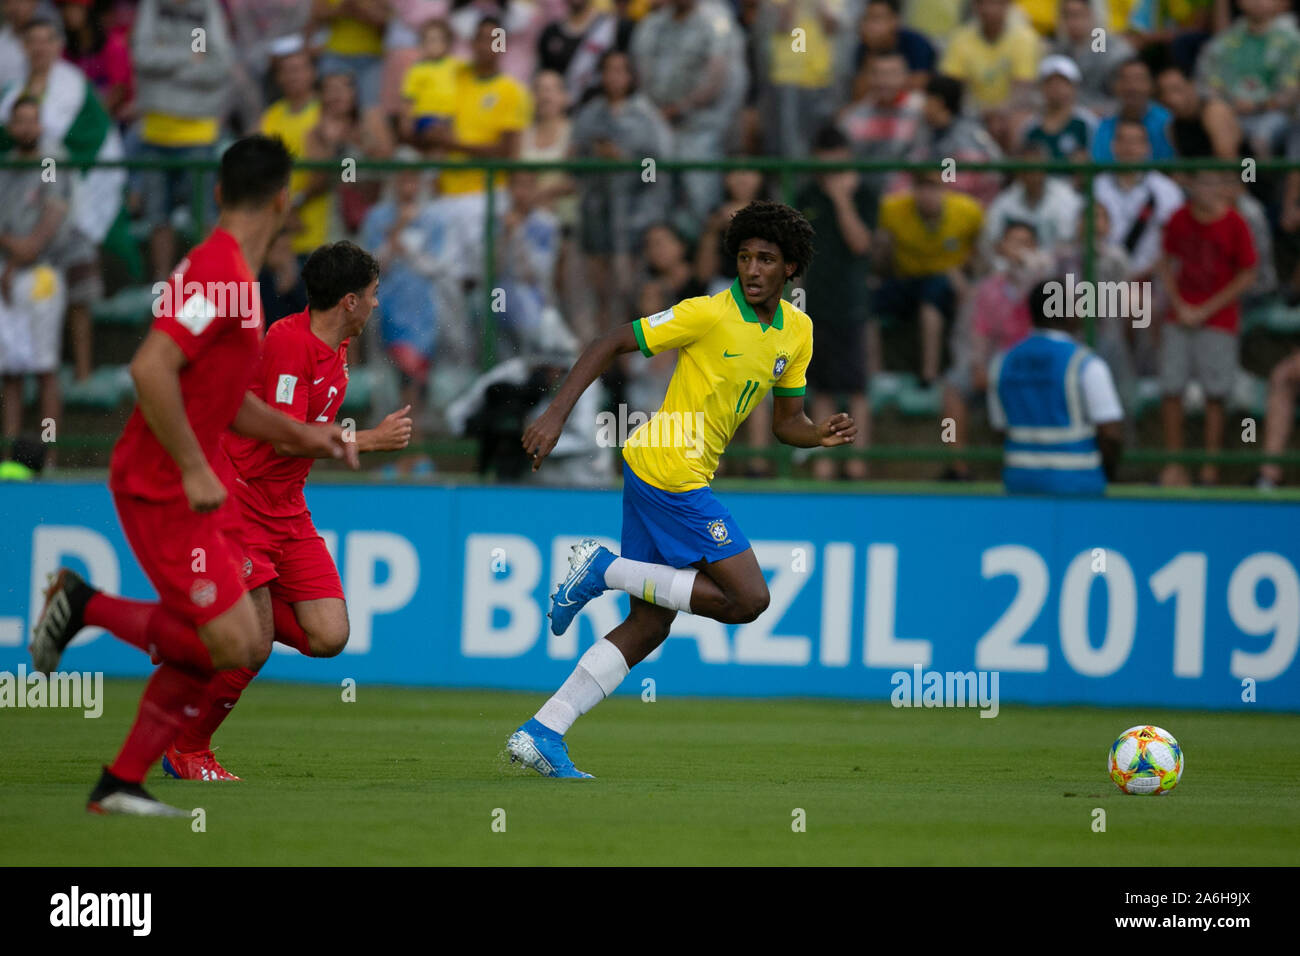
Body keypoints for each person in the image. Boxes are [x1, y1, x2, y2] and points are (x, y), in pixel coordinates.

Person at [29, 135, 356, 816]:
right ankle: (82, 606)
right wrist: (190, 466)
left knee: (234, 642)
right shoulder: (217, 275)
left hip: (198, 485)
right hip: (164, 483)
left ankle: (120, 782)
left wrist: (304, 433)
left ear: (215, 194)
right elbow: (151, 367)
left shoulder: (238, 280)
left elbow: (228, 401)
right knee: (236, 641)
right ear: (283, 199)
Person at [506, 200, 856, 777]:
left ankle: (543, 731)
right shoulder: (709, 313)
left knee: (649, 624)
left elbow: (786, 422)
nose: (753, 268)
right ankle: (604, 569)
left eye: (766, 259)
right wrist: (555, 415)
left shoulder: (797, 332)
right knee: (749, 600)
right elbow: (612, 341)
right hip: (671, 472)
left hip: (661, 471)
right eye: (744, 257)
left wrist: (817, 436)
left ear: (791, 268)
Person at [162, 241, 413, 781]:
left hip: (288, 509)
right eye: (371, 295)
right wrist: (369, 440)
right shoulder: (288, 343)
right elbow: (283, 440)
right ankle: (188, 749)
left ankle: (209, 624)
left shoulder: (337, 345)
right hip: (242, 500)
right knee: (252, 648)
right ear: (348, 300)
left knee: (328, 636)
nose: (376, 305)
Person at [1155, 170, 1258, 487]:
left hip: (1219, 319)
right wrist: (1180, 305)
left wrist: (1206, 309)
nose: (1208, 189)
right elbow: (1165, 263)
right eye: (1202, 182)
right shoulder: (1178, 219)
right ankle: (1175, 466)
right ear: (1191, 185)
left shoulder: (1236, 224)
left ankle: (1210, 469)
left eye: (1215, 183)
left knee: (1217, 393)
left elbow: (1248, 273)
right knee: (1171, 389)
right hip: (1180, 316)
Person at [988, 277, 1125, 495]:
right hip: (1078, 483)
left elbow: (999, 429)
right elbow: (1111, 434)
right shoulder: (1086, 364)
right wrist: (1106, 474)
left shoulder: (1002, 363)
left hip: (1019, 481)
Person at [943, 221, 1051, 479]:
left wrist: (1025, 262)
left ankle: (1027, 467)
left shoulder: (1043, 282)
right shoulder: (987, 288)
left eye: (1025, 243)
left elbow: (1042, 268)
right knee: (953, 387)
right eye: (1012, 242)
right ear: (1000, 247)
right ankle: (957, 467)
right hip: (993, 365)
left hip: (1033, 364)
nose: (1018, 250)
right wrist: (979, 366)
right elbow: (977, 332)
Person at [797, 124, 873, 481]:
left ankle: (856, 462)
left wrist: (843, 200)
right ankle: (826, 460)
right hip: (815, 305)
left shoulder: (866, 194)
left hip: (853, 303)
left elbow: (860, 243)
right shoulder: (805, 194)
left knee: (856, 387)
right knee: (822, 387)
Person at [0, 95, 68, 458]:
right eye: (19, 121)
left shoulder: (51, 162)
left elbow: (52, 220)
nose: (26, 127)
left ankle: (49, 454)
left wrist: (19, 250)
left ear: (40, 124)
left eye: (32, 120)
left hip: (43, 276)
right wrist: (12, 255)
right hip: (5, 278)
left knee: (45, 369)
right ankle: (10, 454)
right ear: (11, 127)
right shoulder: (5, 167)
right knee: (10, 372)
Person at [874, 170, 984, 386]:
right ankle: (876, 378)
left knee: (930, 304)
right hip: (906, 277)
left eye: (933, 187)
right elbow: (876, 245)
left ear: (944, 190)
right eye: (921, 187)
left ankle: (928, 376)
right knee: (869, 304)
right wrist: (878, 268)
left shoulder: (968, 211)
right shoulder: (892, 210)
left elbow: (980, 249)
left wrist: (966, 275)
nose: (927, 194)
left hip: (943, 278)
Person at [1196, 0, 1300, 157]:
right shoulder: (1224, 41)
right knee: (1215, 112)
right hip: (1233, 110)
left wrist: (1257, 105)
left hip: (1278, 113)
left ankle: (1258, 179)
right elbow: (1208, 82)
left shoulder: (1293, 41)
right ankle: (1234, 176)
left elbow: (1292, 89)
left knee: (1260, 137)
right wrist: (1230, 103)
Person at [1093, 119, 1184, 282]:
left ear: (1147, 147)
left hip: (1151, 280)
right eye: (1123, 141)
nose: (1129, 148)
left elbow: (1175, 244)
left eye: (1135, 142)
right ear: (1113, 145)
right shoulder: (1096, 186)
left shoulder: (1167, 189)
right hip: (1104, 280)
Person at [1090, 58, 1175, 162]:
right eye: (1125, 80)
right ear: (1115, 86)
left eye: (1139, 79)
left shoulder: (1168, 122)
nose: (1132, 87)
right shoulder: (1102, 123)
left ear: (1151, 86)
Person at [1022, 54, 1096, 162]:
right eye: (1049, 82)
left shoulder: (1086, 123)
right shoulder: (1031, 128)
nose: (1056, 87)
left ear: (1074, 87)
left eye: (1063, 82)